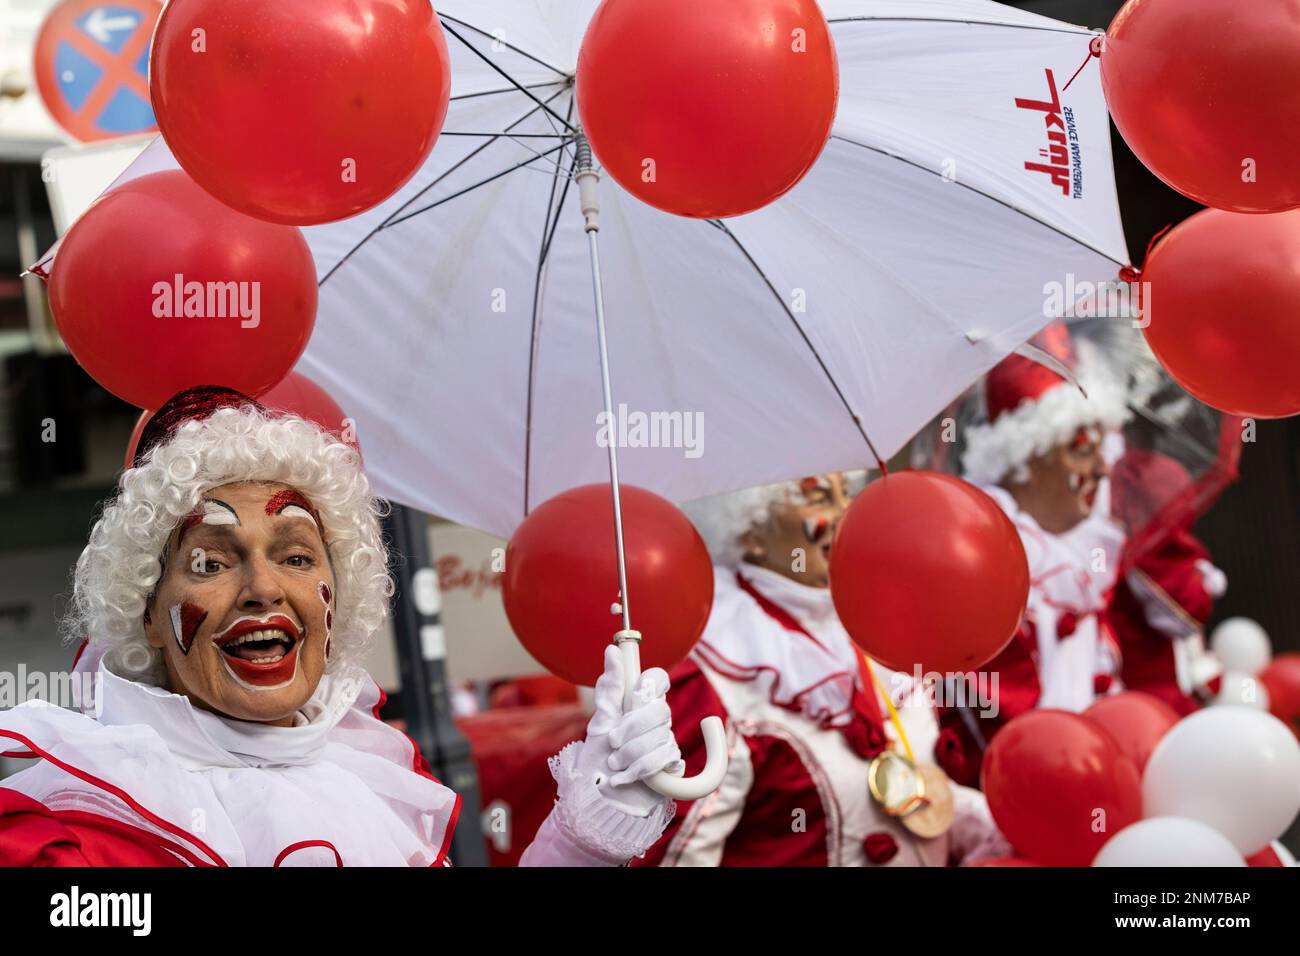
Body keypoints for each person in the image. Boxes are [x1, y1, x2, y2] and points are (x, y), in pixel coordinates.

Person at [0, 387, 682, 867]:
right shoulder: (85, 828)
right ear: (148, 614)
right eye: (210, 561)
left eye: (297, 555)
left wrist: (584, 839)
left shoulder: (365, 770)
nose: (264, 588)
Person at [635, 473, 1008, 867]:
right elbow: (677, 856)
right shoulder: (714, 671)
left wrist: (994, 826)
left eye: (845, 493)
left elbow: (916, 785)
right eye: (817, 498)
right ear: (749, 532)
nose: (844, 513)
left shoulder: (877, 624)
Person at [936, 323, 1130, 785]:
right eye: (1081, 448)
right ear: (1024, 458)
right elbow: (997, 733)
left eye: (1102, 446)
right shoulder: (979, 563)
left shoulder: (1084, 560)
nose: (1103, 469)